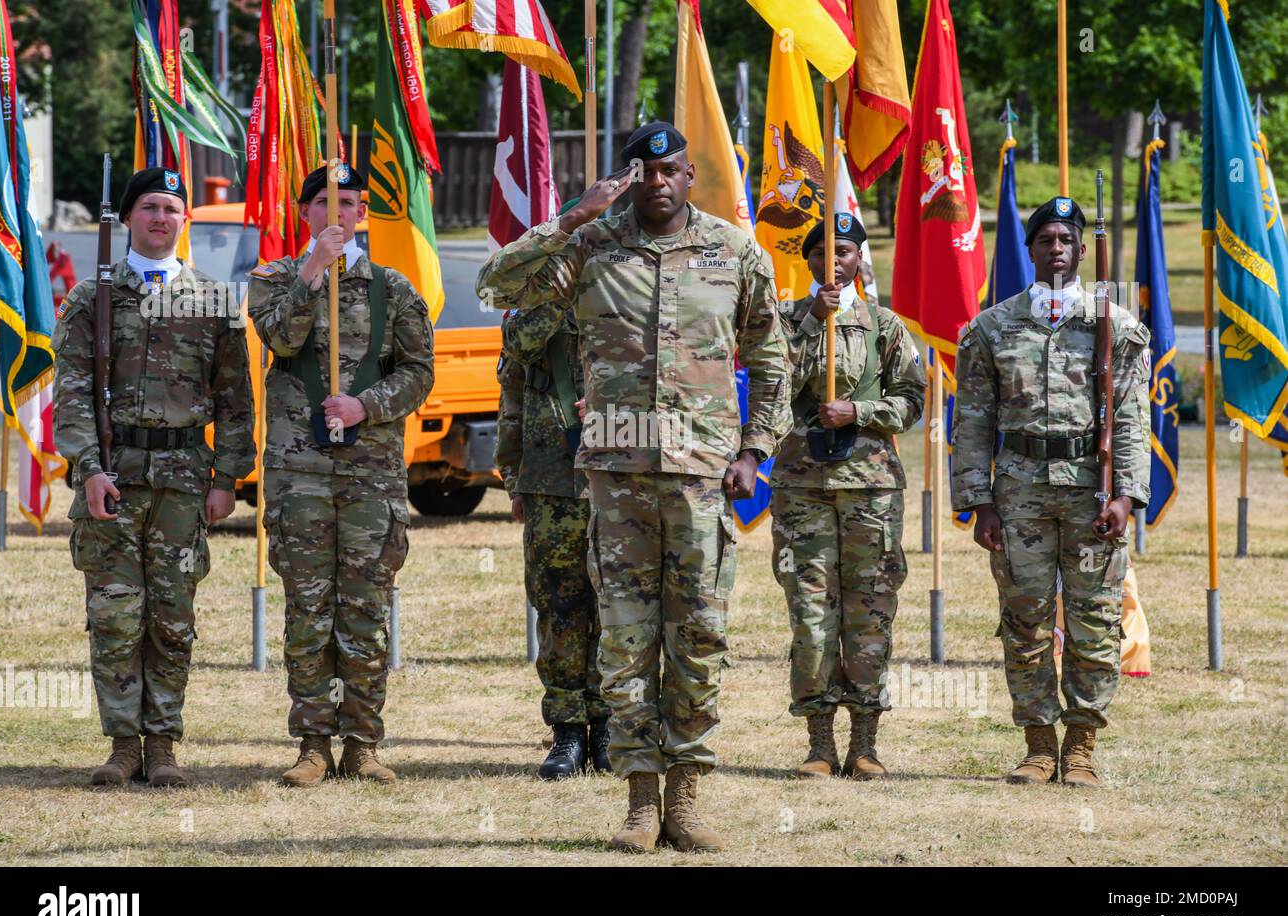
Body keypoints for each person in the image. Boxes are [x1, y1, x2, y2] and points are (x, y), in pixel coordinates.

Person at [477, 121, 791, 852]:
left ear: (689, 178)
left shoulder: (732, 251)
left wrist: (755, 449)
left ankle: (686, 798)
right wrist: (572, 218)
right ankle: (641, 803)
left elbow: (772, 357)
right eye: (644, 172)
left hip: (701, 480)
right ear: (629, 178)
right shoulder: (590, 247)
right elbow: (496, 288)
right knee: (625, 643)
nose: (657, 183)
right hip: (615, 480)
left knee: (699, 636)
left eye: (671, 172)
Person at [53, 166, 255, 786]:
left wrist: (228, 479)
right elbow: (72, 395)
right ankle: (122, 744)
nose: (161, 218)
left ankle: (163, 743)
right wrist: (88, 470)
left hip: (183, 482)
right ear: (127, 219)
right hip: (112, 480)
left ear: (184, 218)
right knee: (115, 615)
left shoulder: (214, 298)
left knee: (172, 615)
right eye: (148, 208)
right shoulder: (92, 298)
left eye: (171, 207)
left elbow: (235, 401)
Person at [951, 196, 1151, 788]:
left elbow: (1133, 419)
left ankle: (1082, 745)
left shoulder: (1117, 325)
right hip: (1019, 494)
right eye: (1046, 240)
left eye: (1067, 240)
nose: (1057, 249)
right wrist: (978, 502)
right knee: (1025, 619)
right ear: (1030, 250)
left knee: (1094, 619)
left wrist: (1127, 495)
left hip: (1093, 491)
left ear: (1082, 250)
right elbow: (974, 423)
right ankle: (1039, 745)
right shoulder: (992, 328)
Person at [247, 164, 435, 786]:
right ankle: (312, 744)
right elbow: (279, 337)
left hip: (370, 474)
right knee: (308, 607)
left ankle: (363, 741)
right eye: (324, 202)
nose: (337, 212)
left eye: (348, 203)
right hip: (298, 471)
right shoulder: (273, 278)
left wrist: (366, 405)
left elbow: (418, 372)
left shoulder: (392, 288)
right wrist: (310, 272)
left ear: (361, 214)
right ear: (305, 213)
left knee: (364, 607)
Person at [770, 216, 925, 780]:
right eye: (822, 252)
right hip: (803, 489)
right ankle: (818, 743)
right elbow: (770, 380)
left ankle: (865, 743)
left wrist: (859, 412)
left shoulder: (883, 325)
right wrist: (813, 320)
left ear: (860, 259)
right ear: (808, 260)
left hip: (870, 488)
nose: (833, 260)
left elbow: (912, 400)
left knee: (870, 612)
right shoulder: (785, 319)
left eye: (845, 250)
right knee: (811, 617)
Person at [496, 286, 612, 779]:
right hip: (550, 479)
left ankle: (609, 725)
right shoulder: (535, 309)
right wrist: (512, 473)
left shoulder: (626, 294)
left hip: (618, 476)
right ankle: (567, 731)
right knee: (559, 607)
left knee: (617, 605)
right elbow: (513, 385)